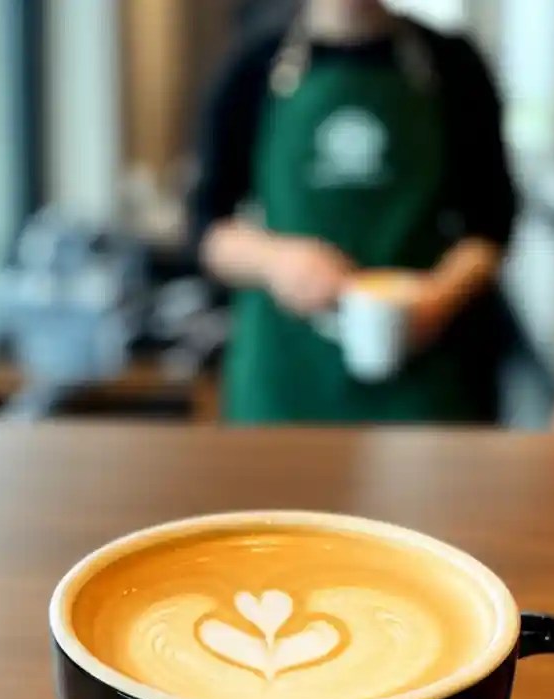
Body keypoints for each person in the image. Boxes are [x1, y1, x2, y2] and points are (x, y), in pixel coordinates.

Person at [191, 0, 517, 425]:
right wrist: (275, 261)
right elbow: (207, 230)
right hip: (286, 379)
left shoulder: (450, 66)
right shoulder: (253, 66)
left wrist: (440, 296)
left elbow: (492, 226)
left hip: (423, 388)